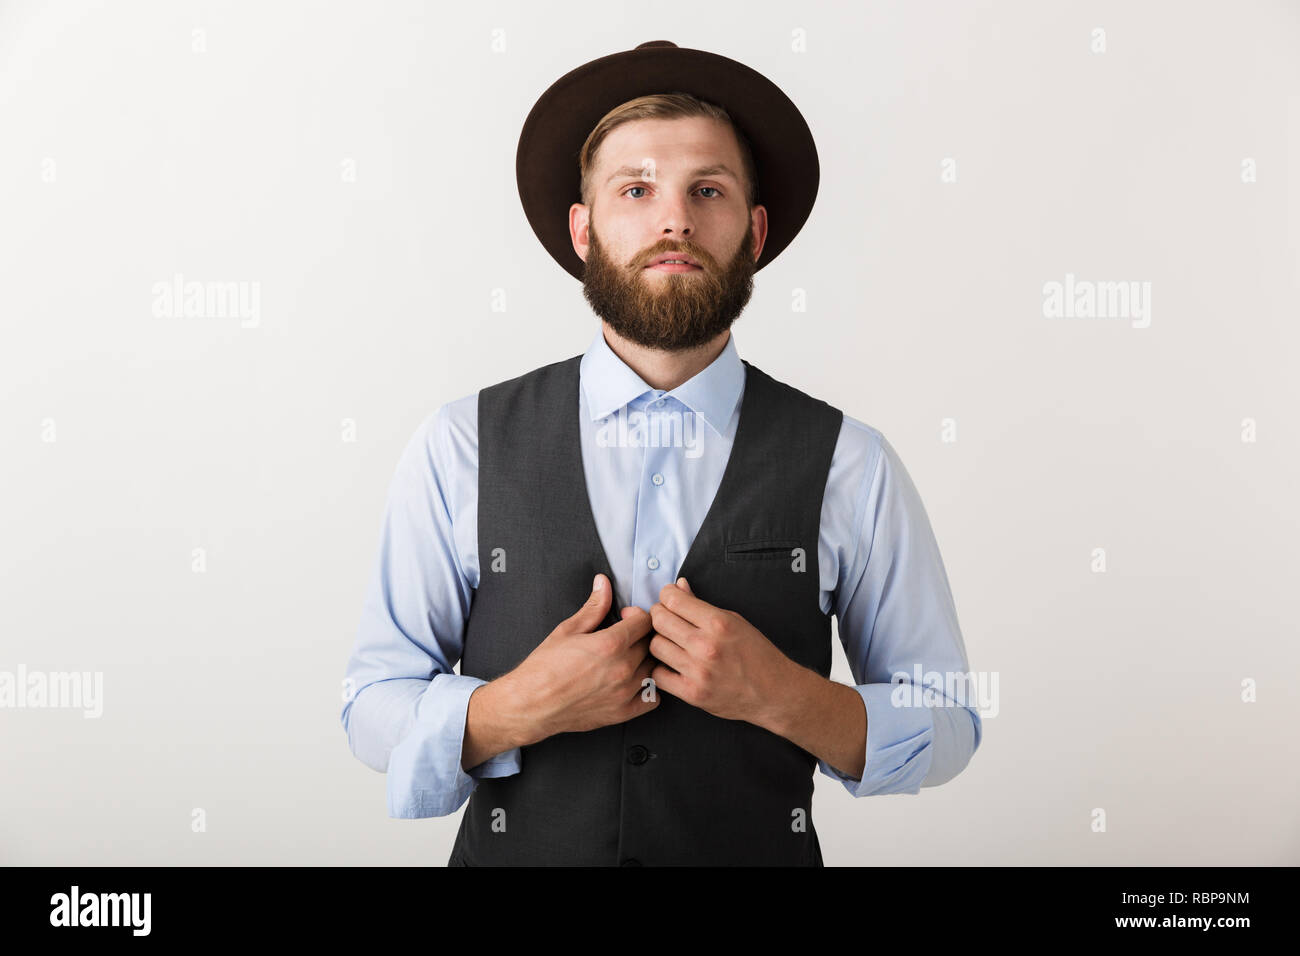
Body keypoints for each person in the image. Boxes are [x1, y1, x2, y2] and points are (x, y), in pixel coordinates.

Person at [341, 40, 981, 866]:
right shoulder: (459, 445)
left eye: (705, 190)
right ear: (583, 229)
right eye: (635, 189)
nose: (673, 219)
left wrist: (785, 696)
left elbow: (950, 720)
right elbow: (370, 704)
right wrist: (510, 710)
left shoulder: (851, 464)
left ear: (753, 231)